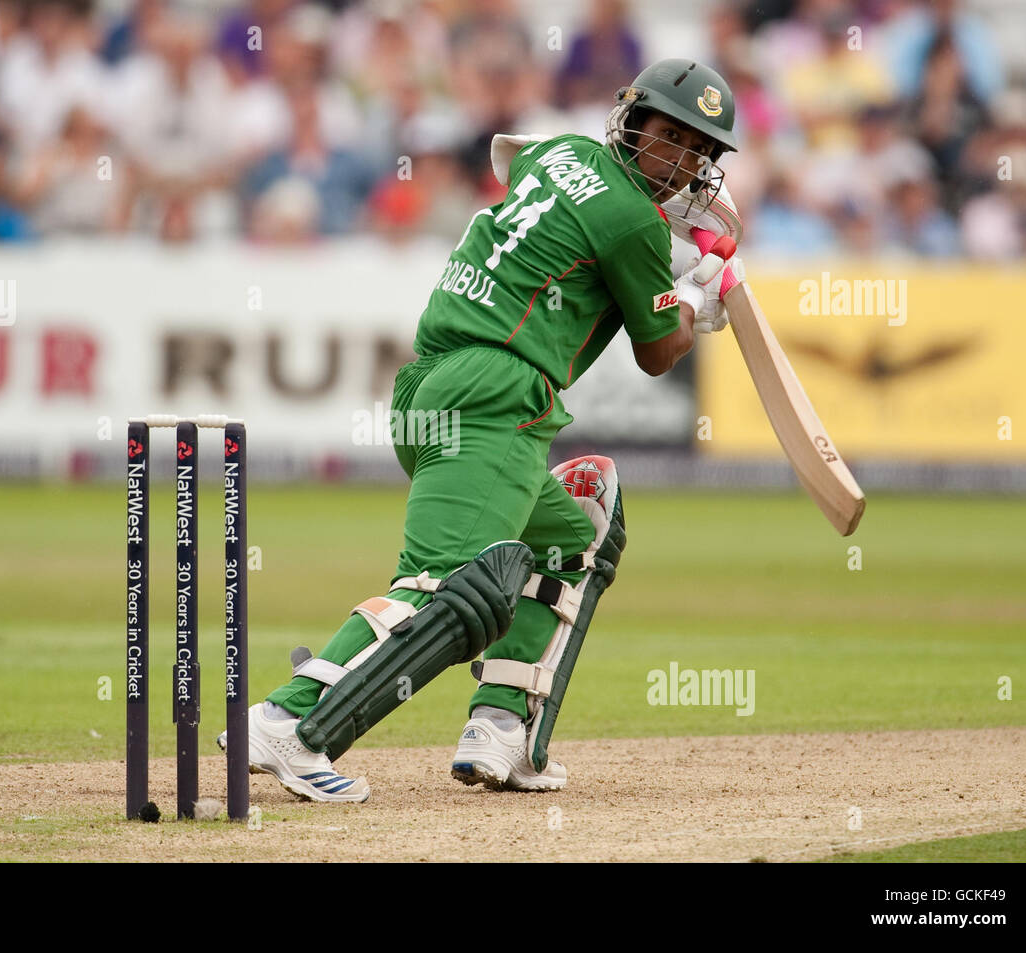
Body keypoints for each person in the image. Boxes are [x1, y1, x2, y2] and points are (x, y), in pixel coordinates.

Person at [220, 59, 744, 802]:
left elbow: (515, 155)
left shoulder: (560, 151)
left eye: (700, 152)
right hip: (496, 395)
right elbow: (661, 350)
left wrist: (670, 245)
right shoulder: (631, 220)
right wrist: (697, 288)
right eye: (672, 137)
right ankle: (290, 722)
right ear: (634, 121)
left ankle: (501, 729)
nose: (683, 161)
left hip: (429, 385)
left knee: (577, 529)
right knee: (442, 586)